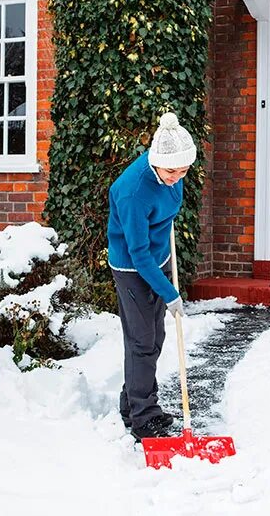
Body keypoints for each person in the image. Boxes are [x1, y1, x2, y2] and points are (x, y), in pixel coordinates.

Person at [107, 112, 196, 441]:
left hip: (157, 259)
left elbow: (167, 211)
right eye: (172, 171)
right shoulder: (133, 193)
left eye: (184, 170)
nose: (178, 177)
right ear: (156, 162)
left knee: (152, 339)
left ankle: (133, 402)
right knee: (143, 342)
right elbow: (138, 253)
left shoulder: (172, 170)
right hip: (133, 268)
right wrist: (169, 292)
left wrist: (166, 261)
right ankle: (143, 418)